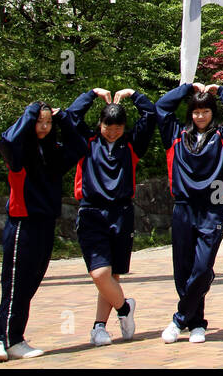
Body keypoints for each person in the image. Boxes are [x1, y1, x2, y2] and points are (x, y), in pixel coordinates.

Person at [154, 81, 223, 343]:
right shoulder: (176, 135)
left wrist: (221, 91)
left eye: (205, 111)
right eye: (196, 112)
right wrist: (186, 88)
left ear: (212, 113)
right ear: (190, 113)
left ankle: (179, 319)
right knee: (183, 269)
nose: (200, 116)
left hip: (212, 209)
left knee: (203, 267)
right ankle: (197, 323)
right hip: (183, 207)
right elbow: (161, 107)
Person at [0, 101, 76, 362]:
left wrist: (64, 118)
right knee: (15, 285)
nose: (44, 127)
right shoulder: (19, 150)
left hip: (45, 223)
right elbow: (8, 140)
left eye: (48, 122)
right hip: (22, 223)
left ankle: (12, 338)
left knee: (29, 284)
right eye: (39, 122)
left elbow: (78, 147)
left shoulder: (53, 151)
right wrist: (30, 111)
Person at [63, 86, 156, 347]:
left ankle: (99, 327)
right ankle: (125, 308)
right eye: (107, 126)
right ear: (100, 124)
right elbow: (70, 116)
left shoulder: (131, 145)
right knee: (99, 273)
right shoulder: (86, 142)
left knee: (112, 275)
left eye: (118, 127)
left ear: (124, 127)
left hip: (121, 213)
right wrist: (91, 93)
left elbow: (151, 114)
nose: (112, 132)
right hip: (91, 212)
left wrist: (133, 94)